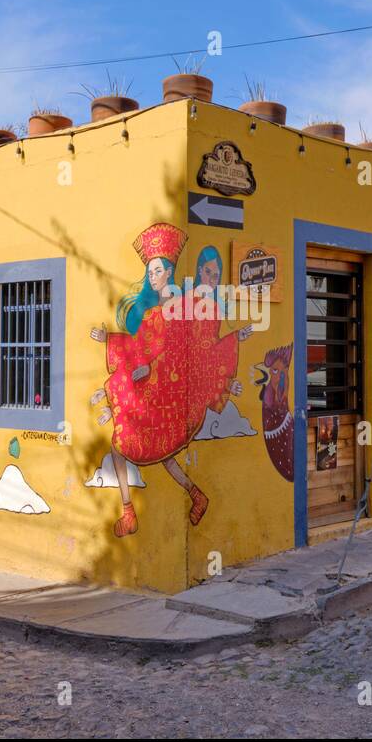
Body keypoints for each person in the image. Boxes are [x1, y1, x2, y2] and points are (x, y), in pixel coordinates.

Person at [90, 224, 249, 537]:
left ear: (170, 271)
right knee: (162, 454)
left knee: (122, 446)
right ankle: (195, 494)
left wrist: (224, 372)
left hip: (169, 394)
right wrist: (109, 339)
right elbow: (140, 347)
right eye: (150, 271)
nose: (152, 276)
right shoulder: (152, 313)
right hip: (156, 395)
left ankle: (128, 510)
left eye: (158, 270)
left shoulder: (183, 308)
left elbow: (195, 348)